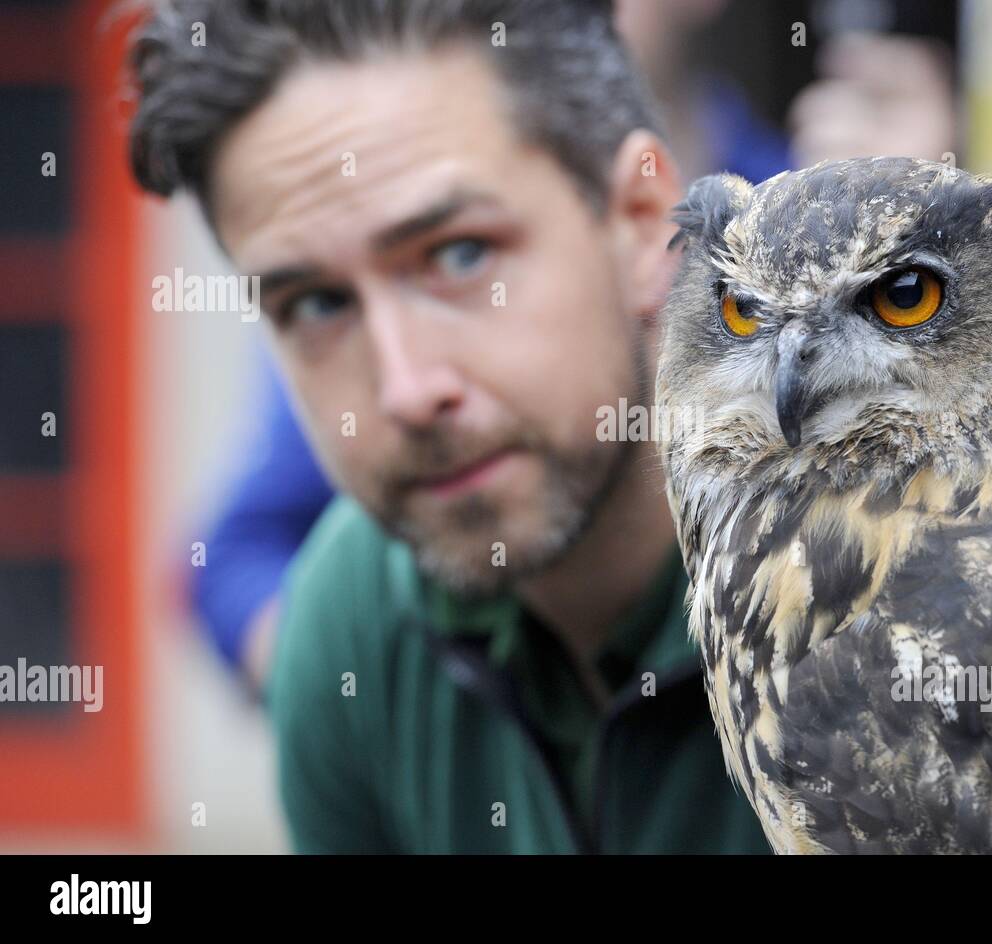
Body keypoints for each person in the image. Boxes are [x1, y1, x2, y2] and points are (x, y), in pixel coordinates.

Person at [128, 0, 772, 853]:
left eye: (459, 255)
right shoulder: (350, 628)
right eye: (316, 304)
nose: (404, 388)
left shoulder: (905, 592)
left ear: (645, 222)